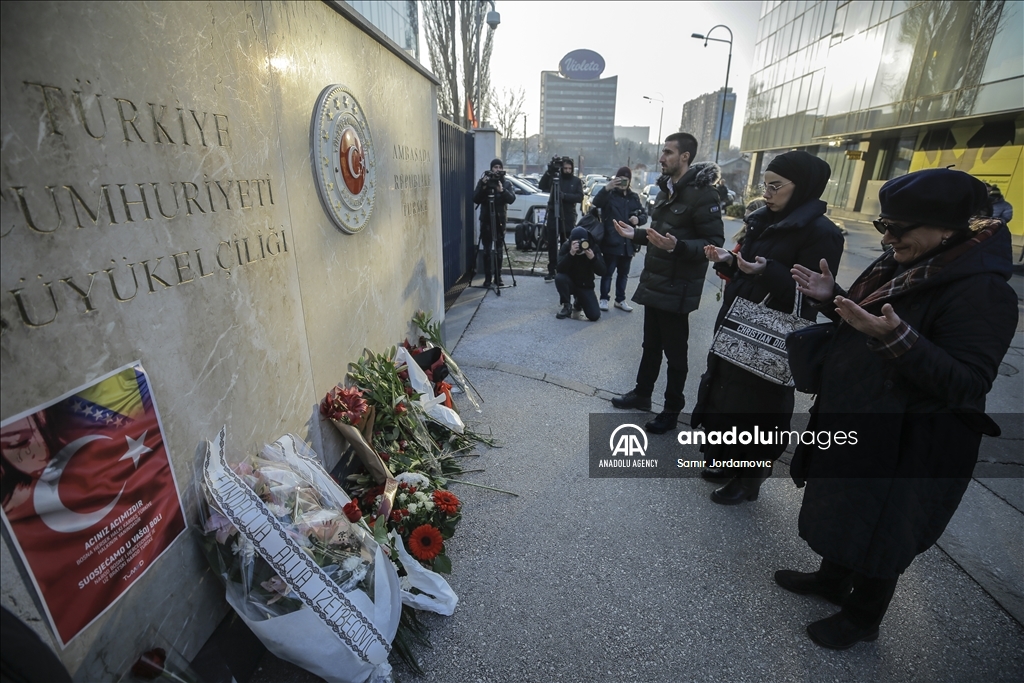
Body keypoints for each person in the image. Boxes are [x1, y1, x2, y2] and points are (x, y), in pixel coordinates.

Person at [781, 168, 1017, 650]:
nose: (887, 238)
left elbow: (968, 381)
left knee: (880, 526)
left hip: (910, 439)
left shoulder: (982, 289)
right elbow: (870, 321)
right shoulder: (904, 262)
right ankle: (831, 579)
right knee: (844, 504)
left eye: (898, 229)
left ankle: (862, 617)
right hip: (862, 416)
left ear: (946, 228)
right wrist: (835, 300)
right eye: (883, 226)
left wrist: (898, 340)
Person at [692, 151, 844, 504]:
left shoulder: (822, 233)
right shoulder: (762, 219)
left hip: (776, 335)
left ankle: (751, 478)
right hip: (738, 320)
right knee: (726, 392)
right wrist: (731, 261)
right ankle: (730, 461)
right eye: (765, 185)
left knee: (759, 406)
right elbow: (749, 264)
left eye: (776, 186)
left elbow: (810, 293)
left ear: (802, 186)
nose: (767, 193)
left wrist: (767, 271)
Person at [610, 133, 725, 434]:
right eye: (663, 152)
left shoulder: (703, 195)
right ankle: (642, 394)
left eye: (668, 153)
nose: (661, 158)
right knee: (650, 346)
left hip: (678, 287)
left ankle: (672, 409)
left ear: (685, 156)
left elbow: (714, 244)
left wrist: (678, 246)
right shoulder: (666, 190)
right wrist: (634, 235)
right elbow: (659, 234)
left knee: (675, 355)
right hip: (655, 282)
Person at [592, 166, 647, 312]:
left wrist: (638, 219)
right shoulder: (609, 195)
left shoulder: (634, 197)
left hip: (628, 242)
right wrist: (607, 187)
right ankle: (604, 299)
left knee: (623, 274)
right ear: (616, 179)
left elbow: (644, 214)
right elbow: (596, 203)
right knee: (608, 272)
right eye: (621, 179)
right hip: (611, 240)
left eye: (626, 179)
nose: (624, 182)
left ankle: (620, 300)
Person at [472, 158, 516, 288]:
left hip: (499, 220)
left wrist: (502, 190)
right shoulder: (484, 182)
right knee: (486, 250)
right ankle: (487, 278)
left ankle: (498, 277)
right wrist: (484, 186)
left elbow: (511, 199)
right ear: (491, 169)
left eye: (499, 167)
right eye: (495, 167)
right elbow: (475, 198)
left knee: (498, 249)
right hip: (486, 220)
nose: (497, 170)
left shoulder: (506, 184)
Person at [539, 157, 583, 282]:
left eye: (570, 168)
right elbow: (542, 185)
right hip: (554, 214)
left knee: (567, 243)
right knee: (552, 243)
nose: (567, 171)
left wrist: (565, 196)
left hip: (568, 216)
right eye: (565, 168)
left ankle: (565, 269)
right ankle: (551, 269)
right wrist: (549, 172)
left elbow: (579, 197)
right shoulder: (555, 179)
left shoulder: (576, 181)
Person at [554, 225, 606, 321]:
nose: (580, 245)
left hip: (585, 285)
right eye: (576, 242)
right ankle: (566, 305)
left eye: (582, 241)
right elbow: (559, 269)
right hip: (570, 282)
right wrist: (571, 254)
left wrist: (593, 259)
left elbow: (602, 271)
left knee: (594, 315)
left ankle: (579, 301)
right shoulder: (566, 246)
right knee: (559, 278)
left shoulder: (593, 247)